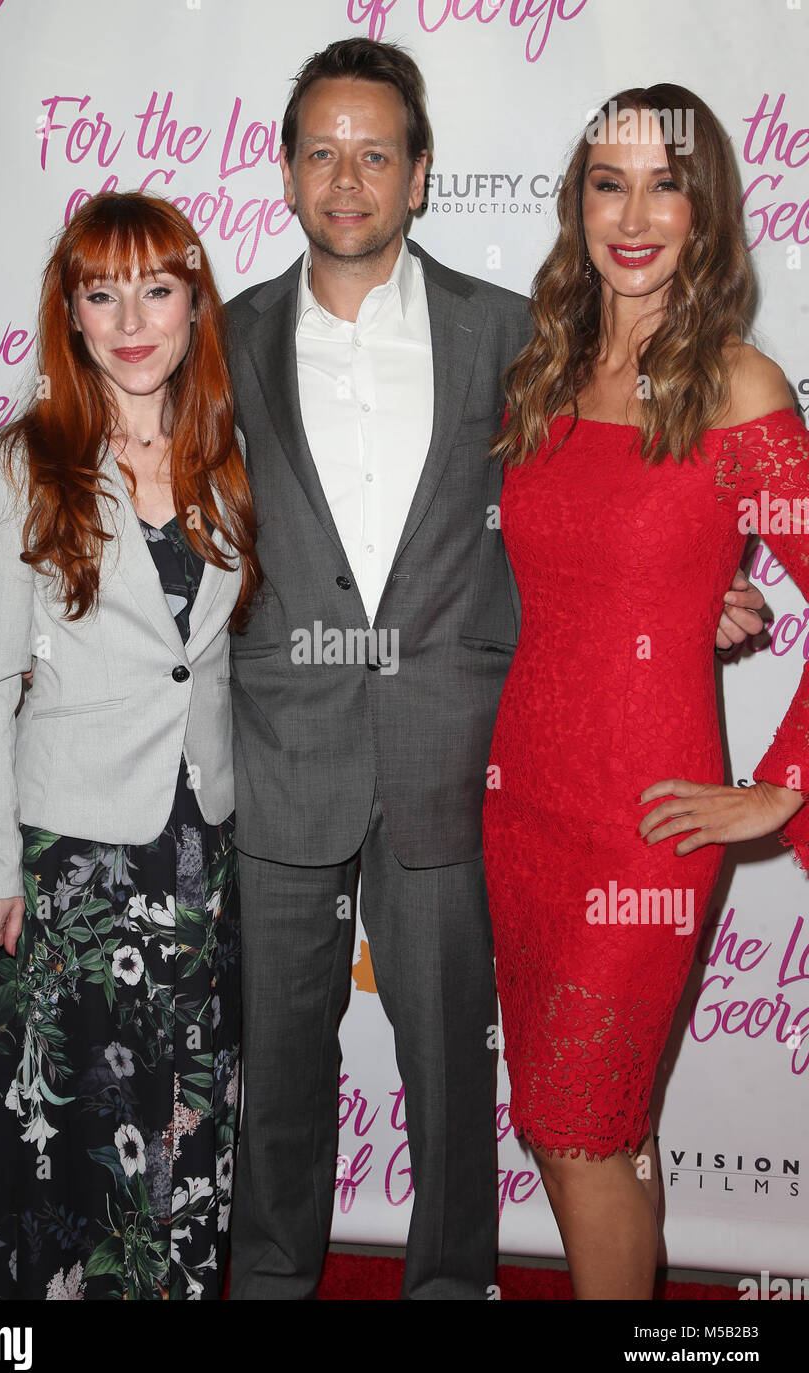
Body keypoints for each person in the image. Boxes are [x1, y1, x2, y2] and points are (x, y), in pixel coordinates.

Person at [223, 41, 762, 1299]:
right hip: (283, 765)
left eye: (375, 152)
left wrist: (694, 592)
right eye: (321, 152)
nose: (346, 178)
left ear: (420, 174)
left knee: (466, 1095)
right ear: (287, 172)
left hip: (468, 772)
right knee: (277, 1086)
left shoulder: (513, 337)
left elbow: (615, 500)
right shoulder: (225, 338)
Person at [483, 84, 809, 1301]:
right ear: (576, 202)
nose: (632, 213)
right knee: (587, 1129)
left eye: (663, 184)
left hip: (644, 820)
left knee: (575, 1127)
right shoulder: (545, 371)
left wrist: (776, 789)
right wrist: (688, 603)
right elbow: (561, 576)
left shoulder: (739, 387)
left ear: (704, 210)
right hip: (520, 805)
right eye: (606, 182)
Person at [0, 191, 260, 1300]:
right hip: (68, 866)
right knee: (59, 1142)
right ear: (70, 313)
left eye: (157, 288)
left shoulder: (229, 455)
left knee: (180, 1129)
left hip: (196, 859)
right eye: (101, 290)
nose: (132, 316)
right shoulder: (23, 459)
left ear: (192, 305)